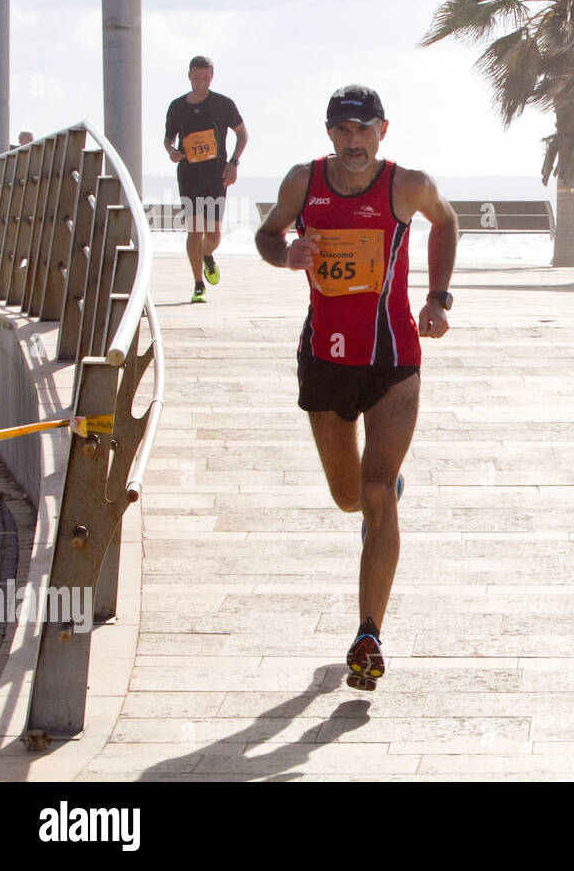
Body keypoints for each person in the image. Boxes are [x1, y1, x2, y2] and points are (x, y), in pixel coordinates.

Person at [255, 85, 457, 691]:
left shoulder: (407, 185)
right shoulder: (303, 181)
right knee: (349, 497)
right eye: (342, 131)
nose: (352, 142)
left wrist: (437, 297)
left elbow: (445, 222)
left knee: (374, 495)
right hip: (324, 359)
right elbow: (268, 235)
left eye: (362, 130)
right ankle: (382, 487)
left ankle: (369, 633)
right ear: (329, 134)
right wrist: (285, 254)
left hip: (393, 358)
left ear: (382, 131)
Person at [164, 55, 248, 303]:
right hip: (189, 176)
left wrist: (233, 163)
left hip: (217, 176)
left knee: (213, 236)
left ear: (212, 76)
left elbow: (242, 135)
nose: (201, 81)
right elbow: (169, 138)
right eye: (196, 77)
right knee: (194, 230)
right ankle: (198, 284)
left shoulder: (224, 104)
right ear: (189, 75)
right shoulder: (177, 106)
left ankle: (207, 255)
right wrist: (171, 151)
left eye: (205, 77)